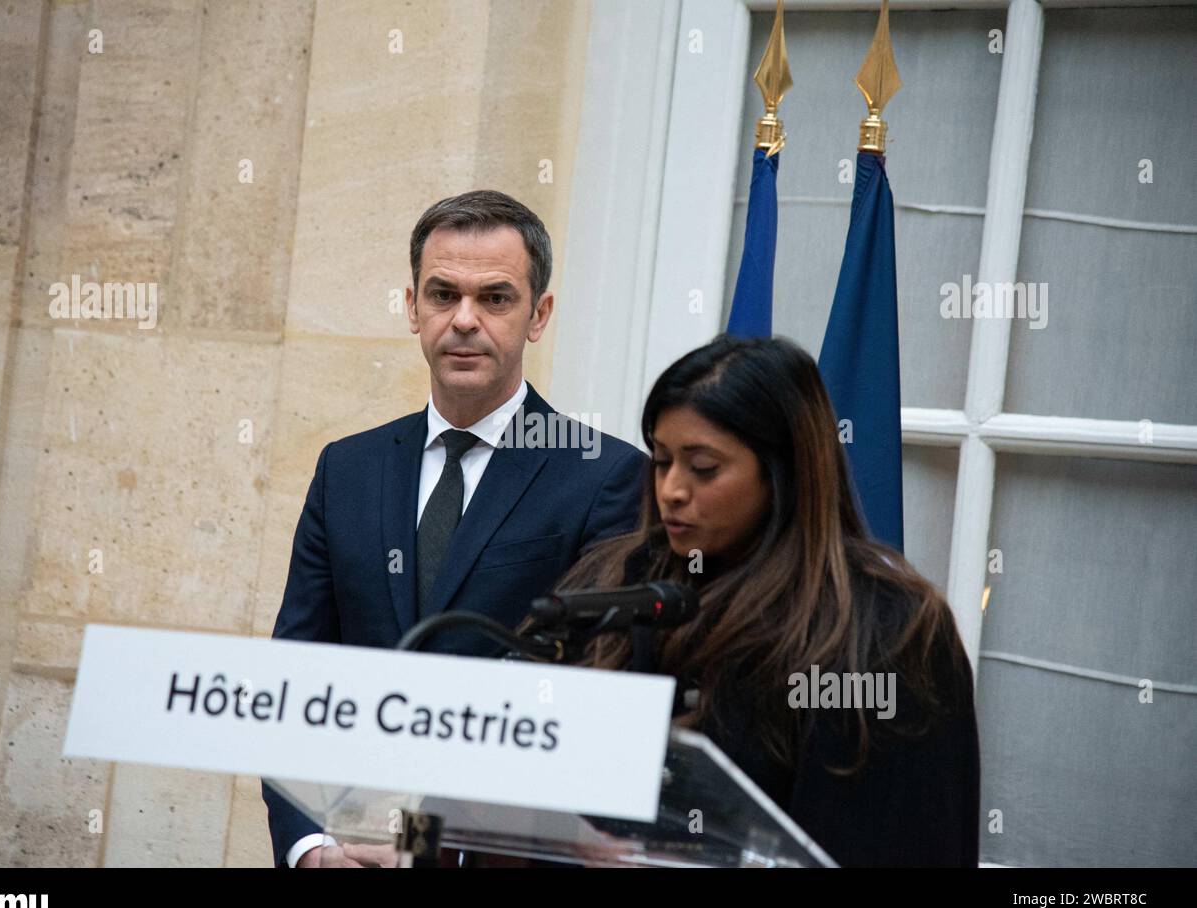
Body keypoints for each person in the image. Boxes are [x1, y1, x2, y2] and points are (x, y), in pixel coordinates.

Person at [261, 190, 647, 867]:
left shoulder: (606, 477)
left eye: (495, 298)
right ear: (413, 307)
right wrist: (312, 848)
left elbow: (600, 716)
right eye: (443, 294)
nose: (464, 320)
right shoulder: (346, 469)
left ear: (539, 314)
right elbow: (296, 682)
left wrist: (441, 852)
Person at [553, 335, 980, 867]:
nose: (672, 490)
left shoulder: (886, 630)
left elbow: (897, 840)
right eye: (662, 462)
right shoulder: (610, 581)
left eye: (703, 467)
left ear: (784, 474)